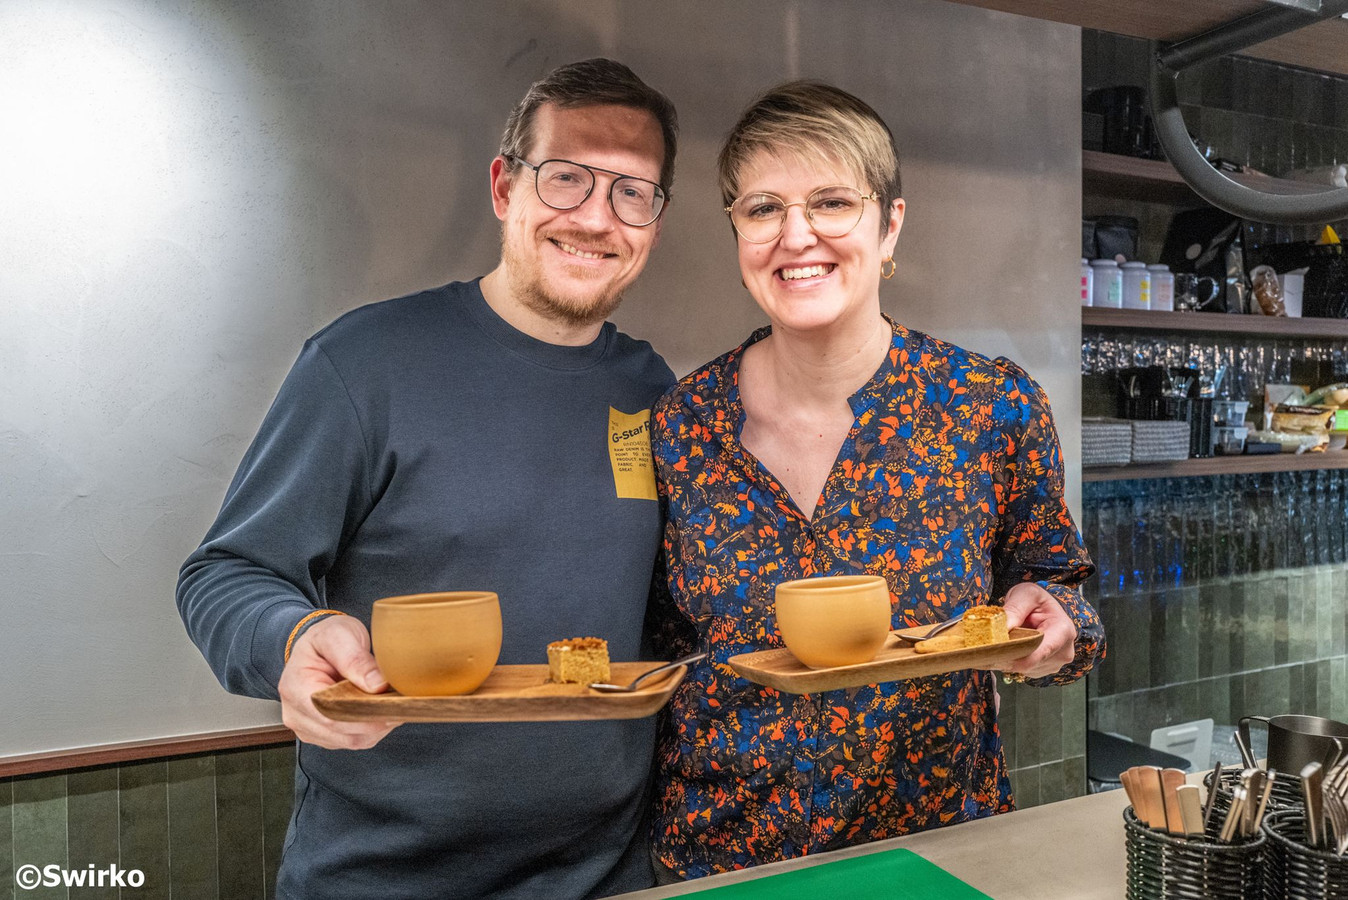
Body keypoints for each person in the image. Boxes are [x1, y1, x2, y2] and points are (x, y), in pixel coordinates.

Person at [176, 58, 678, 899]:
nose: (597, 218)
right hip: (381, 879)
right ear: (504, 188)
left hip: (608, 877)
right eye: (566, 180)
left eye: (633, 192)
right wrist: (292, 640)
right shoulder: (364, 364)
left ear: (655, 221)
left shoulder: (652, 391)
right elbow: (226, 573)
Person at [646, 81, 1105, 880]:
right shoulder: (681, 424)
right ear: (735, 231)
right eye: (762, 209)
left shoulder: (988, 405)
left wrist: (1055, 622)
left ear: (890, 224)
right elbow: (657, 646)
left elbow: (1063, 597)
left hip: (940, 851)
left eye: (831, 202)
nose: (797, 236)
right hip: (722, 862)